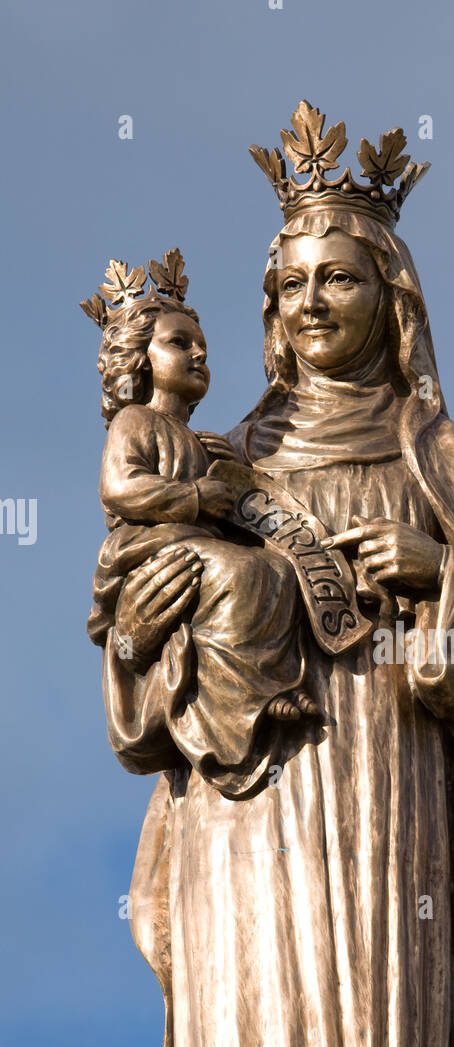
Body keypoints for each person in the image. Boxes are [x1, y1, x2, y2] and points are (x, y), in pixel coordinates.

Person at [90, 104, 454, 1047]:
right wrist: (158, 624)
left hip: (382, 808)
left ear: (390, 296)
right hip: (237, 819)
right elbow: (135, 692)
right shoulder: (220, 461)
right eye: (286, 283)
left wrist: (442, 577)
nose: (307, 302)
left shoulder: (431, 450)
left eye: (336, 276)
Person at [82, 251, 319, 799]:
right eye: (178, 343)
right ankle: (242, 704)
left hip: (195, 548)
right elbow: (120, 488)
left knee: (271, 573)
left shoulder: (208, 442)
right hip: (149, 550)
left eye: (200, 343)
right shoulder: (133, 421)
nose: (199, 351)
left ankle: (255, 687)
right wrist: (194, 496)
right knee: (242, 575)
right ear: (139, 361)